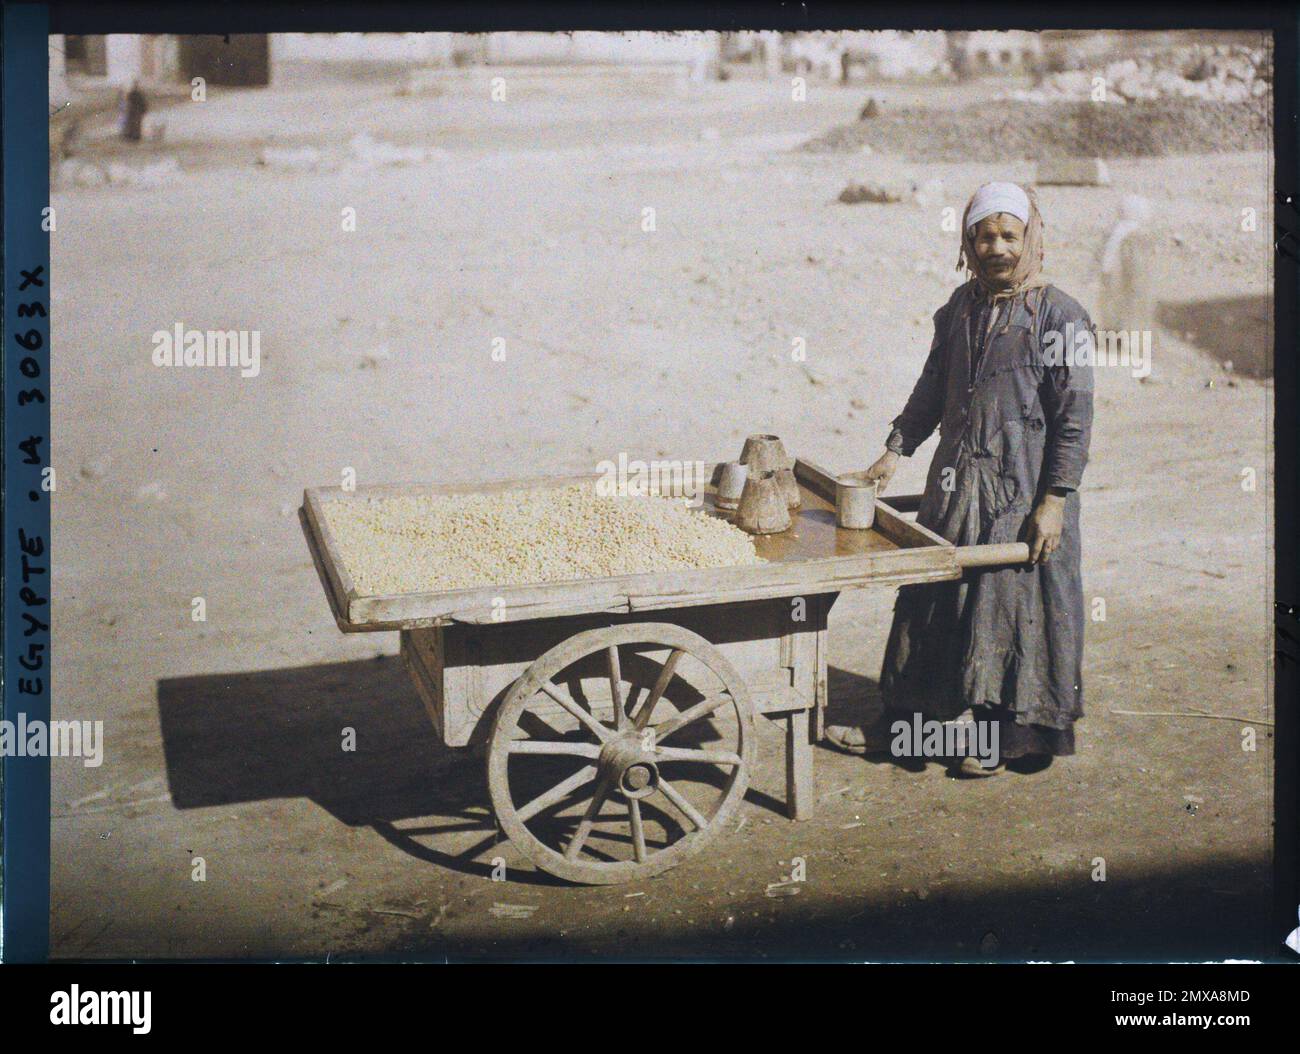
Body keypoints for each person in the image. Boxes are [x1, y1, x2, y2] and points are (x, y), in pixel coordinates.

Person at [827, 181, 1095, 776]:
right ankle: (908, 732)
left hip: (1024, 489)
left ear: (1030, 239)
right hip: (954, 483)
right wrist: (895, 451)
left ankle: (1007, 740)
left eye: (1008, 235)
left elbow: (1074, 420)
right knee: (930, 594)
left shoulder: (1060, 315)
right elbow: (929, 388)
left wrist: (1053, 501)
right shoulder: (960, 309)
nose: (996, 247)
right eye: (984, 235)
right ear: (968, 241)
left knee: (1010, 602)